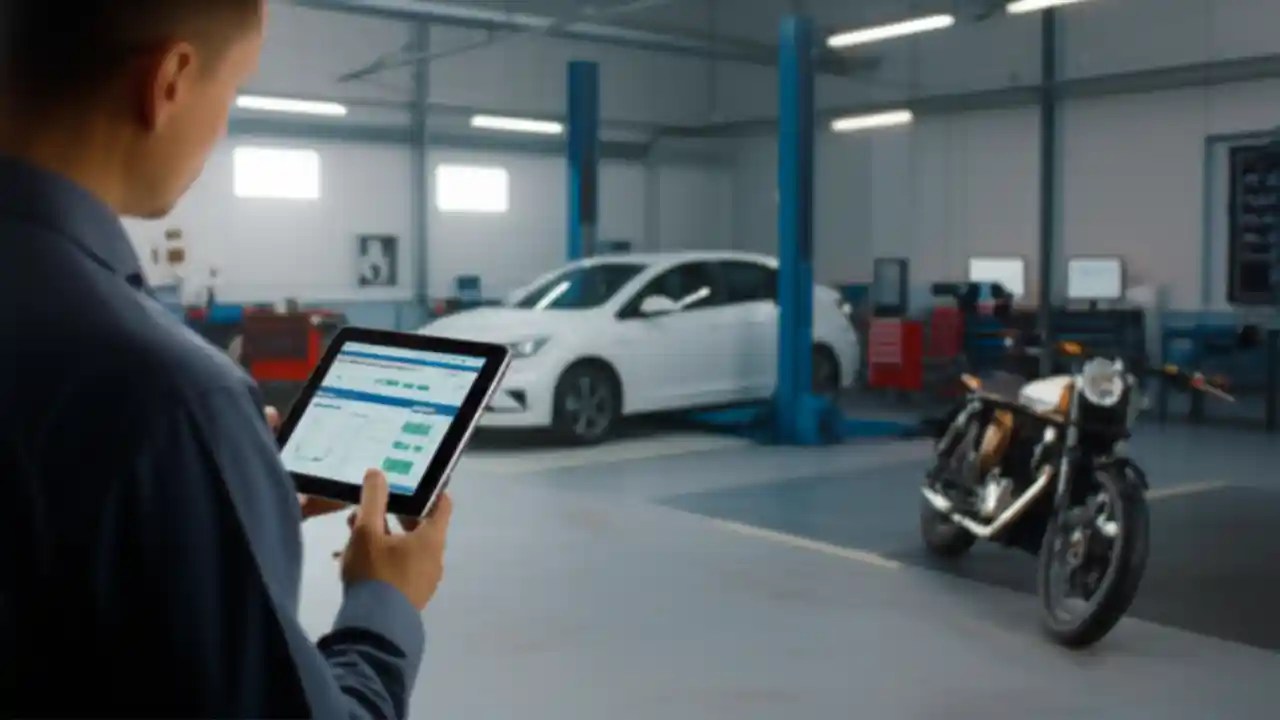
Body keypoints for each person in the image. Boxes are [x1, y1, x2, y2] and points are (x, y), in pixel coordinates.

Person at [0, 2, 452, 717]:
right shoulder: (169, 396)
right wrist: (383, 602)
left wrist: (216, 499)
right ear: (170, 80)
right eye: (233, 88)